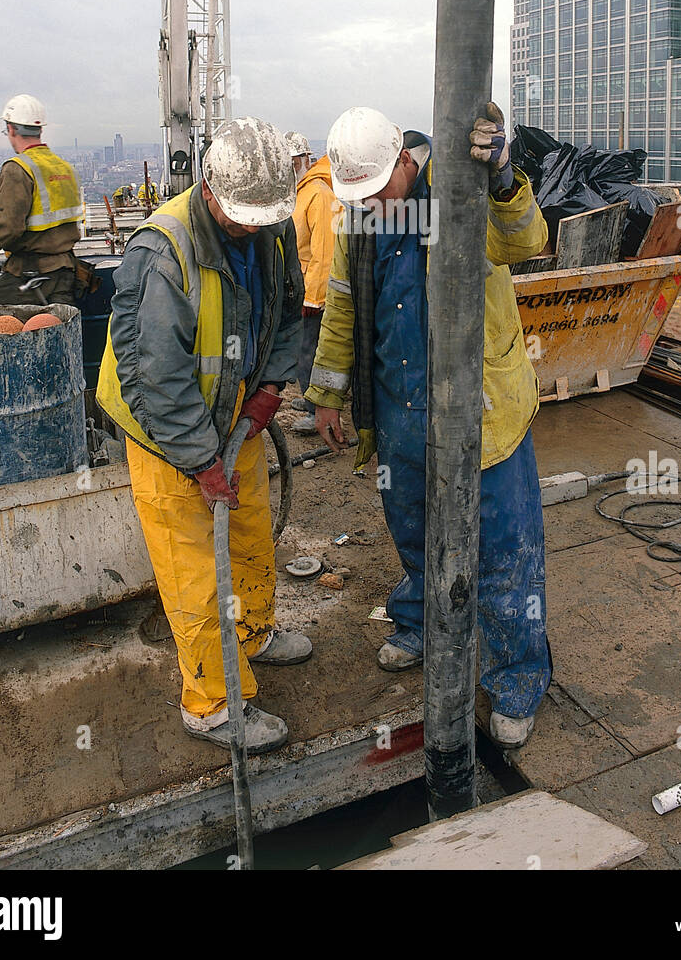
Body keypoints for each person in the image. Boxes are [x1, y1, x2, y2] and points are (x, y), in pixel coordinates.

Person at [306, 103, 552, 749]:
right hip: (399, 408)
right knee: (413, 530)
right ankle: (422, 625)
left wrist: (501, 178)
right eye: (359, 197)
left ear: (404, 162)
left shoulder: (456, 184)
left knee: (505, 549)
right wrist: (326, 395)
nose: (374, 206)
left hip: (482, 408)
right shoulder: (356, 219)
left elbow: (525, 240)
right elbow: (340, 306)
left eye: (380, 191)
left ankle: (517, 678)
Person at [97, 117, 309, 755]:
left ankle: (253, 635)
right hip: (168, 434)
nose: (250, 227)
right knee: (195, 568)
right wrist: (199, 460)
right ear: (211, 188)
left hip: (234, 412)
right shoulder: (162, 253)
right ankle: (214, 703)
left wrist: (272, 385)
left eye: (260, 217)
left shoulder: (271, 227)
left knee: (247, 529)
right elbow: (156, 377)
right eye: (240, 216)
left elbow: (287, 307)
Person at [0, 95, 85, 306]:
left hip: (30, 272)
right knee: (61, 331)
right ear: (40, 129)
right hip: (65, 270)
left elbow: (8, 227)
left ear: (11, 129)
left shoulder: (18, 168)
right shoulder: (65, 167)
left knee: (1, 324)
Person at [286, 131, 342, 435]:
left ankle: (315, 409)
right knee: (301, 350)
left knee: (311, 352)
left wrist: (313, 298)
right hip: (300, 288)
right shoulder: (301, 191)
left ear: (298, 161)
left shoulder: (318, 194)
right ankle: (309, 397)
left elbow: (326, 250)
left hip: (313, 293)